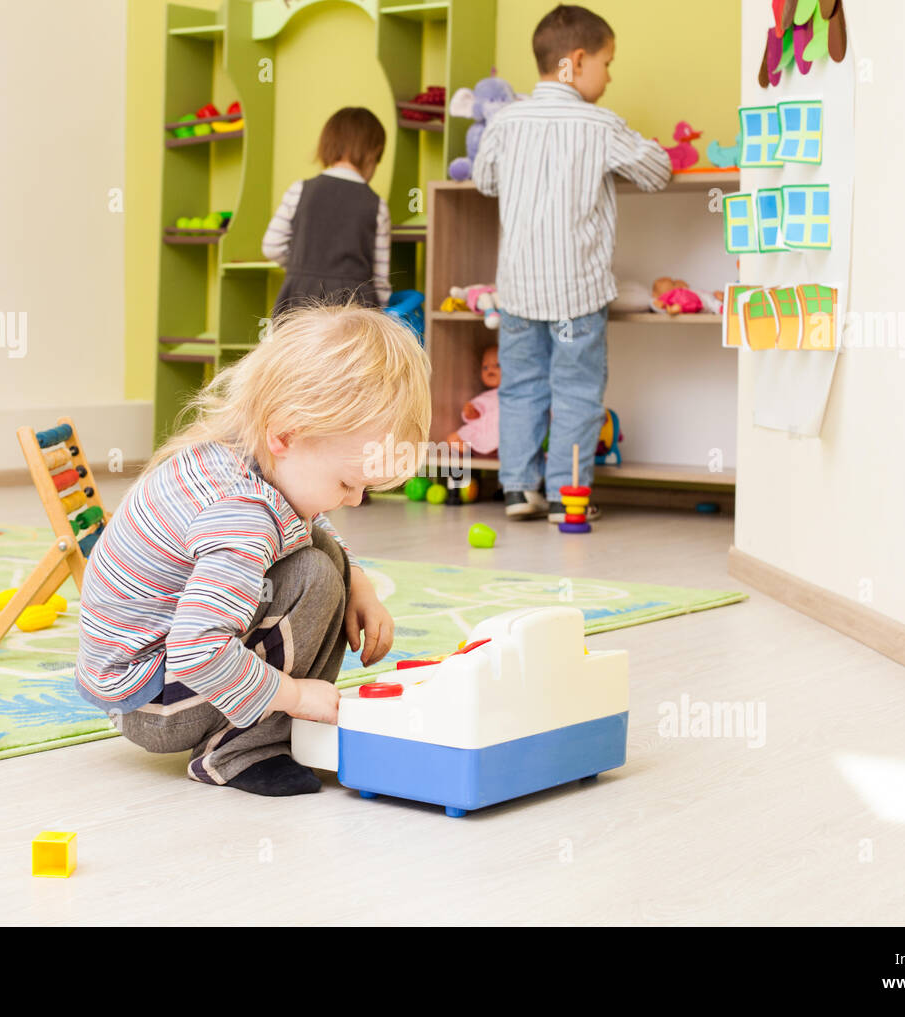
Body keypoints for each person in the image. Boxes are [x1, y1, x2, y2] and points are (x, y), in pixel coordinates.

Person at [75, 305, 430, 797]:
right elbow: (197, 650)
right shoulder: (241, 513)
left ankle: (267, 728)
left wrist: (359, 579)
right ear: (284, 435)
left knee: (329, 558)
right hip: (154, 706)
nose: (353, 500)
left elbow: (307, 521)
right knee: (315, 576)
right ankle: (241, 750)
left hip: (151, 679)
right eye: (348, 483)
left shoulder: (248, 459)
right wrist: (296, 695)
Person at [473, 4, 672, 522]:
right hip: (576, 294)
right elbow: (658, 171)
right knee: (577, 390)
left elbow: (484, 183)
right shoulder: (599, 124)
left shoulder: (505, 121)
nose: (609, 77)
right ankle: (568, 497)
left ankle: (518, 489)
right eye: (608, 63)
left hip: (516, 290)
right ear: (577, 62)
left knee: (520, 388)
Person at [263, 107, 392, 315]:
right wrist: (383, 314)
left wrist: (301, 266)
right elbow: (380, 279)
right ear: (373, 153)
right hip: (355, 307)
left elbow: (271, 247)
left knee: (298, 348)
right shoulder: (377, 206)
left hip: (300, 297)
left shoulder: (299, 190)